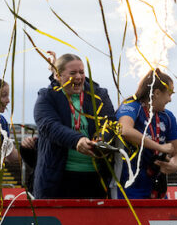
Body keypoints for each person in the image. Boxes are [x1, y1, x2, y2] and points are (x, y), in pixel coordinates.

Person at [33, 53, 117, 199]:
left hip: (96, 178)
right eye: (72, 73)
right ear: (57, 76)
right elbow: (50, 126)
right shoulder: (47, 96)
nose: (78, 77)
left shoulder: (99, 95)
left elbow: (109, 122)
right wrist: (77, 140)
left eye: (81, 72)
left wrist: (101, 139)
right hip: (58, 179)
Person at [116, 69, 177, 199]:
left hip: (155, 186)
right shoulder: (131, 106)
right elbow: (125, 130)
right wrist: (159, 147)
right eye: (169, 94)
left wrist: (174, 165)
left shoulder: (168, 117)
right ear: (157, 93)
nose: (170, 100)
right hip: (128, 186)